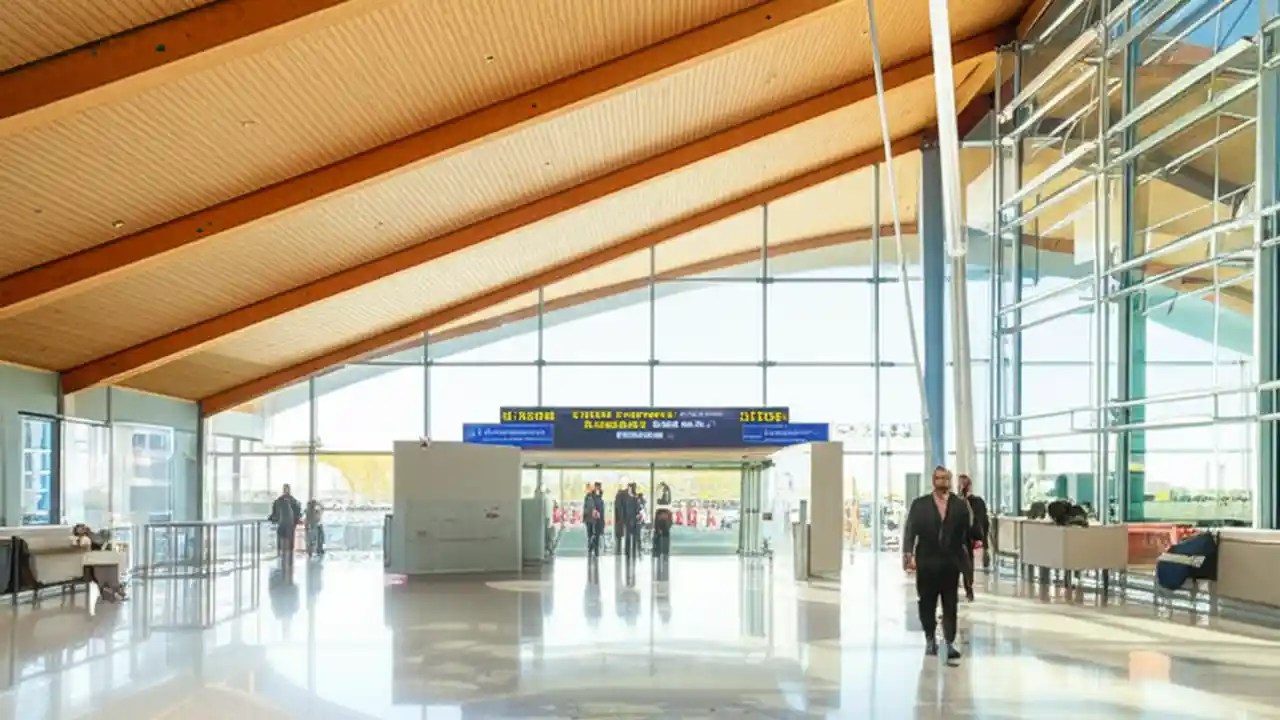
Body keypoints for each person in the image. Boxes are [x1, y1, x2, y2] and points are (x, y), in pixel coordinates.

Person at [903, 466, 972, 662]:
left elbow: (965, 536)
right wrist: (908, 554)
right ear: (934, 481)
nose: (943, 482)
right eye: (939, 478)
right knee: (927, 602)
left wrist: (967, 566)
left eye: (946, 478)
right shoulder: (920, 505)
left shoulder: (959, 505)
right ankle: (930, 639)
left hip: (950, 562)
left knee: (950, 603)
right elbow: (910, 530)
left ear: (950, 481)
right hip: (927, 561)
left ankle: (949, 642)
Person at [72, 524, 127, 601]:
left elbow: (100, 541)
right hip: (90, 564)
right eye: (80, 529)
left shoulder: (91, 536)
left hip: (96, 561)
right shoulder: (81, 539)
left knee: (102, 577)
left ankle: (114, 591)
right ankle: (113, 592)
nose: (83, 529)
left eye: (82, 528)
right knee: (100, 578)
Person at [957, 474, 990, 601]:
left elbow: (982, 522)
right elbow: (984, 522)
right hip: (962, 536)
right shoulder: (955, 501)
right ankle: (967, 587)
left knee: (966, 562)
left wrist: (984, 542)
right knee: (965, 562)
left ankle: (968, 587)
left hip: (966, 536)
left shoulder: (974, 502)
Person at [269, 484, 302, 560]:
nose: (286, 491)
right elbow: (275, 511)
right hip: (284, 524)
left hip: (288, 524)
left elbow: (297, 511)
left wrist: (296, 519)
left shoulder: (291, 501)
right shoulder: (282, 500)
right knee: (283, 538)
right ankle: (283, 554)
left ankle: (287, 554)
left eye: (286, 489)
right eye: (285, 489)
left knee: (287, 539)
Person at [584, 483, 605, 556]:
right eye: (596, 488)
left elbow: (601, 511)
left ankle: (595, 550)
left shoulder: (600, 498)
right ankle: (592, 549)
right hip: (591, 520)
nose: (597, 489)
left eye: (598, 488)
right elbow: (587, 508)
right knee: (591, 535)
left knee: (596, 535)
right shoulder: (589, 497)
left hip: (597, 520)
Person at [613, 485, 628, 555]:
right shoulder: (621, 498)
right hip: (621, 520)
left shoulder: (618, 498)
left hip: (619, 520)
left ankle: (618, 550)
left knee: (619, 536)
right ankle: (620, 550)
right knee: (621, 535)